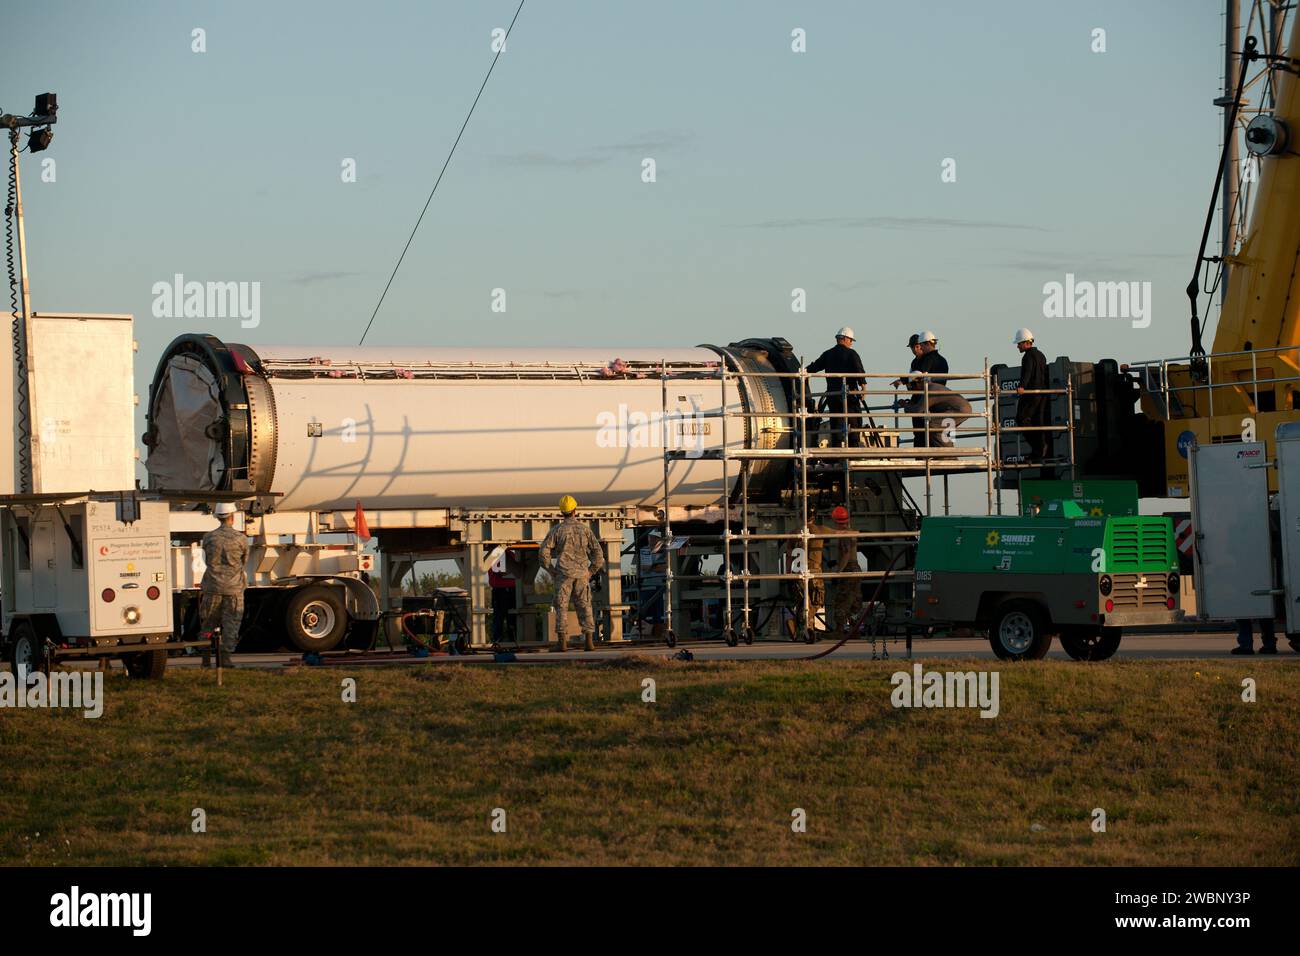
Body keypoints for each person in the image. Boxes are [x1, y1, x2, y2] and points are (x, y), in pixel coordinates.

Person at [540, 495, 604, 652]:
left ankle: (562, 642)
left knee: (561, 606)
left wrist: (550, 569)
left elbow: (543, 552)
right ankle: (589, 641)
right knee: (585, 605)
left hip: (563, 574)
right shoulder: (585, 530)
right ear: (575, 510)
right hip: (582, 574)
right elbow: (598, 553)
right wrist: (591, 571)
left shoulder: (557, 530)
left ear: (562, 512)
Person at [198, 501, 249, 667]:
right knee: (231, 624)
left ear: (218, 517)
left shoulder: (208, 538)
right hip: (234, 589)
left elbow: (204, 559)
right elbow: (244, 560)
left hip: (212, 587)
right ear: (232, 517)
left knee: (208, 624)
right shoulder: (241, 539)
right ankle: (226, 658)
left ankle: (205, 659)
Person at [807, 327, 866, 447]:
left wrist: (802, 371)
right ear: (845, 339)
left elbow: (814, 367)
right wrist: (863, 388)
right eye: (850, 340)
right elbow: (859, 371)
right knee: (854, 426)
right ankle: (853, 456)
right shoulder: (851, 354)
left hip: (833, 396)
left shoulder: (828, 354)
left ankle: (837, 457)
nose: (851, 343)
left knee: (836, 428)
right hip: (849, 397)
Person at [1013, 328, 1050, 463]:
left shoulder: (1027, 357)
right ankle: (1039, 449)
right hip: (1042, 393)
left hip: (1031, 393)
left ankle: (1038, 448)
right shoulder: (1041, 355)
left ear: (1026, 343)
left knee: (1021, 418)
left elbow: (1027, 372)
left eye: (1019, 343)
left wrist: (1022, 386)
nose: (1018, 346)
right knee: (1037, 421)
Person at [826, 506, 861, 632]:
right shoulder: (851, 532)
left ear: (835, 520)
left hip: (848, 569)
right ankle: (854, 629)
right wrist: (836, 561)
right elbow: (850, 553)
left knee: (842, 599)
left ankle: (839, 630)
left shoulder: (844, 535)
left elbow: (846, 554)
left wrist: (838, 572)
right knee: (854, 600)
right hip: (855, 567)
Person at [488, 547, 522, 645]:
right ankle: (502, 641)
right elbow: (498, 572)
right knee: (502, 618)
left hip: (507, 590)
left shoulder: (506, 554)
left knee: (507, 618)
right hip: (504, 590)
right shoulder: (508, 555)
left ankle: (509, 641)